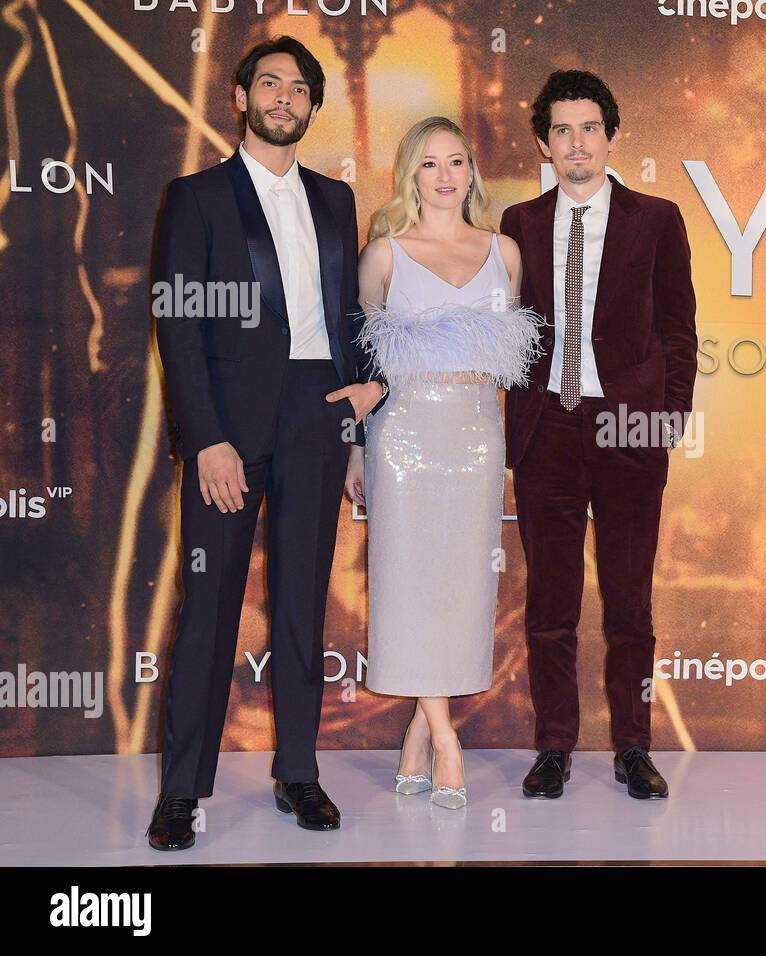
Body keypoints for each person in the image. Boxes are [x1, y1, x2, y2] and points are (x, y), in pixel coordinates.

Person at [146, 36, 386, 851]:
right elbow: (177, 324)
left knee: (300, 608)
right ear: (241, 98)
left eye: (300, 89)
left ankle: (298, 772)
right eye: (270, 84)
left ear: (314, 107)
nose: (285, 98)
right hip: (229, 428)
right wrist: (205, 439)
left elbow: (348, 319)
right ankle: (182, 790)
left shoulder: (334, 200)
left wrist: (353, 428)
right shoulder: (197, 197)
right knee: (209, 609)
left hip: (316, 414)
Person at [500, 70, 698, 800]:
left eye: (590, 127)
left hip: (629, 430)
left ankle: (633, 748)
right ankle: (554, 745)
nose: (576, 142)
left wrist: (665, 416)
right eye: (562, 130)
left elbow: (680, 328)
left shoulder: (658, 218)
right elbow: (511, 328)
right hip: (548, 427)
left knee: (629, 602)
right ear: (544, 144)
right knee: (550, 603)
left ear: (612, 136)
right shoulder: (518, 223)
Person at [348, 117, 539, 809]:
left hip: (477, 433)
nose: (446, 175)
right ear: (411, 176)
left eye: (457, 161)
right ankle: (446, 736)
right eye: (431, 164)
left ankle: (417, 739)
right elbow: (361, 364)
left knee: (460, 588)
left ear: (471, 172)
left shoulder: (505, 253)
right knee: (408, 585)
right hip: (403, 437)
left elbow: (512, 365)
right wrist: (354, 449)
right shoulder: (384, 255)